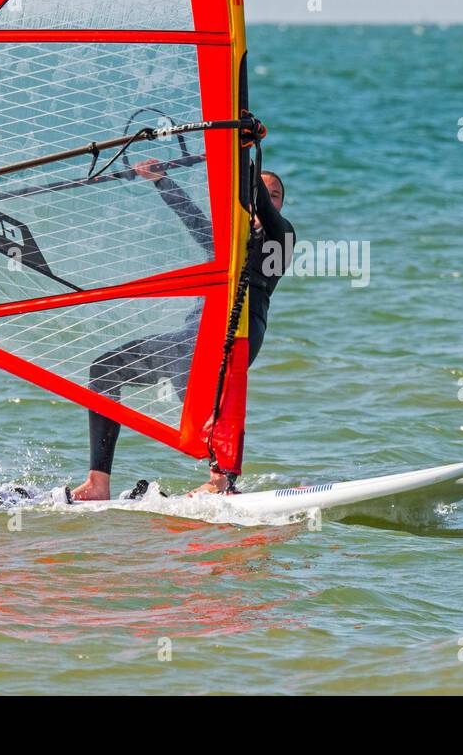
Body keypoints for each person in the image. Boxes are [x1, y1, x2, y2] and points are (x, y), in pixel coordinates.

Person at [68, 155, 294, 501]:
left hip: (238, 332)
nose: (266, 196)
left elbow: (258, 200)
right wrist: (160, 180)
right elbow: (191, 217)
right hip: (191, 336)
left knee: (206, 393)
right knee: (105, 369)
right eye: (262, 189)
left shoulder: (281, 237)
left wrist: (242, 149)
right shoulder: (224, 241)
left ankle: (222, 479)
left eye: (275, 194)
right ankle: (98, 483)